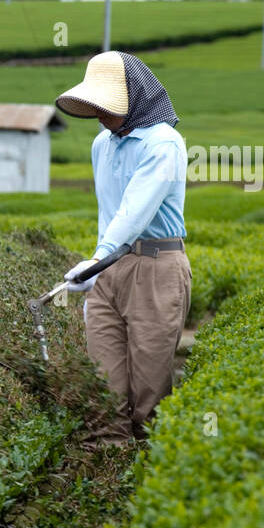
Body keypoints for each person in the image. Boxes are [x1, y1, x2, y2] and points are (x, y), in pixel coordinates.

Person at [54, 51, 191, 443]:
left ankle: (147, 479)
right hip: (110, 268)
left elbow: (135, 211)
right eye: (95, 105)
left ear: (136, 98)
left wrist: (98, 259)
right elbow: (110, 212)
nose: (100, 113)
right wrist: (99, 268)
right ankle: (106, 475)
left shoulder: (164, 143)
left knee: (149, 388)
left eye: (107, 104)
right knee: (103, 380)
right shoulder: (103, 144)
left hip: (156, 268)